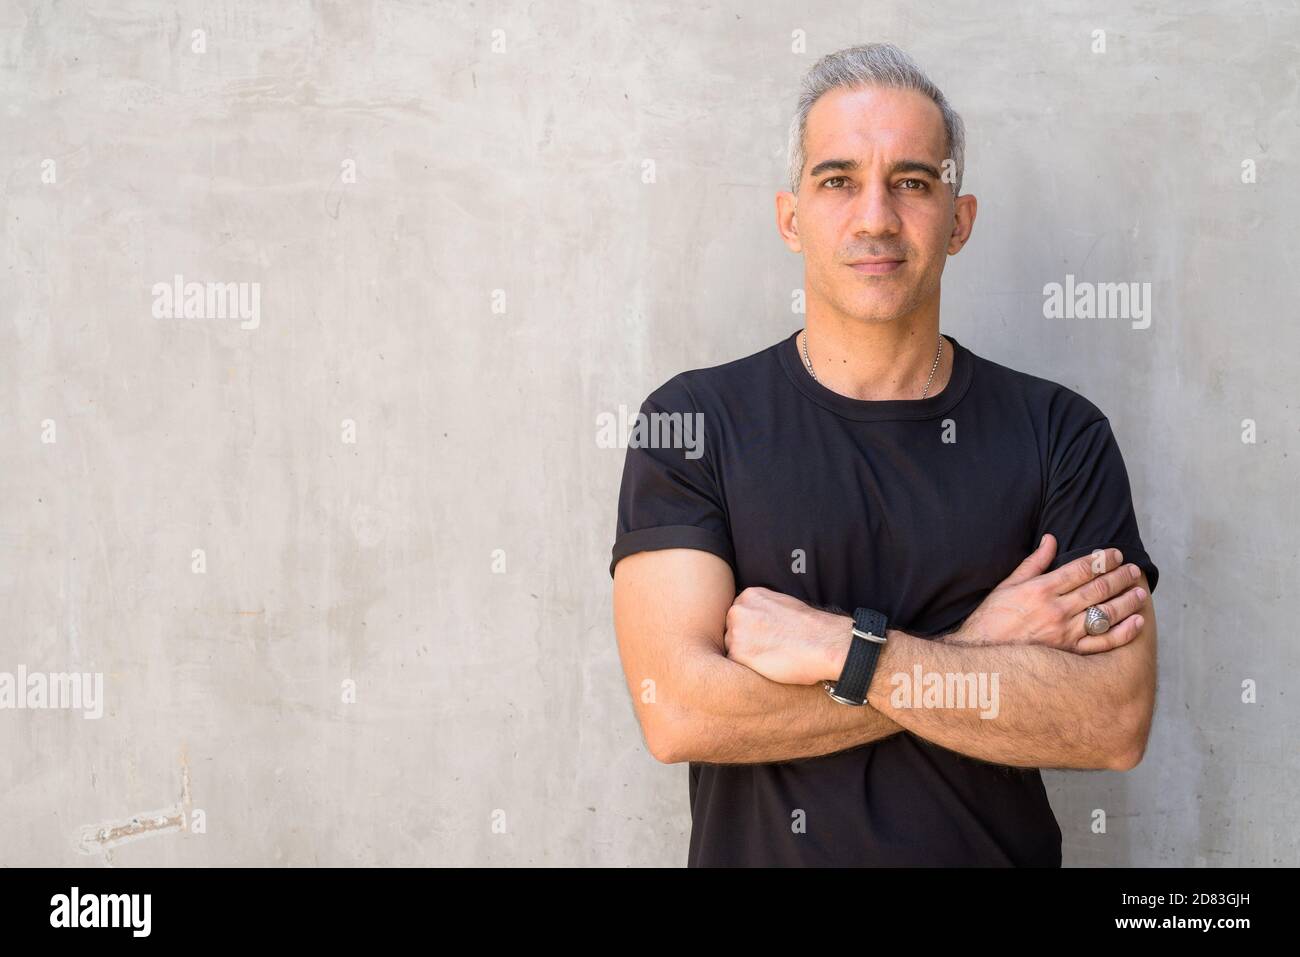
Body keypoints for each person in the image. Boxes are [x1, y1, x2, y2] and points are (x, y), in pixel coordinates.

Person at [609, 42, 1160, 867]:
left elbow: (1111, 722)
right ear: (790, 218)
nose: (875, 216)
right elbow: (681, 712)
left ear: (959, 220)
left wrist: (840, 652)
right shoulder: (690, 422)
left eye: (912, 181)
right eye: (837, 180)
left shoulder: (1061, 434)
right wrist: (973, 649)